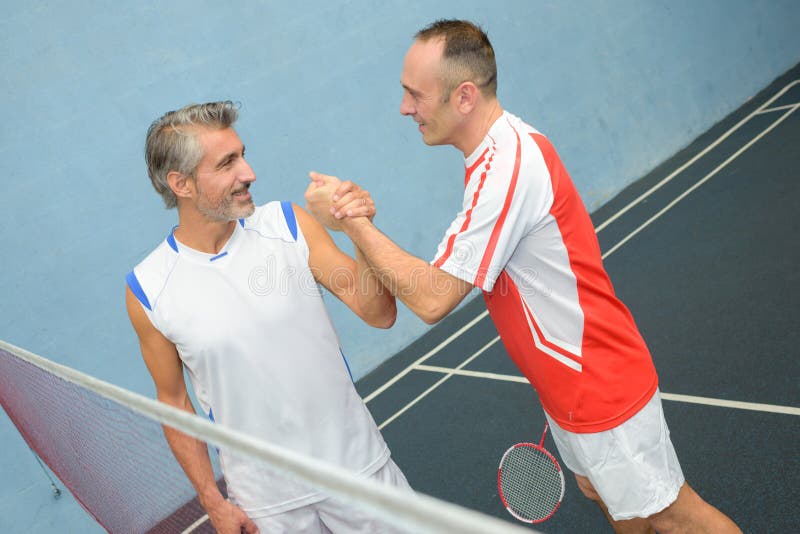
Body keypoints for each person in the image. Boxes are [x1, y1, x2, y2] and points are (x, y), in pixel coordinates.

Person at [304, 19, 741, 534]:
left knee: (674, 517)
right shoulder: (490, 156)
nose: (405, 108)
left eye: (414, 94)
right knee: (611, 501)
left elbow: (431, 299)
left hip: (598, 377)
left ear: (463, 96)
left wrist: (351, 222)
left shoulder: (507, 169)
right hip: (565, 387)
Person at [125, 101, 411, 534]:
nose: (249, 172)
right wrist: (212, 500)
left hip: (358, 471)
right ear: (180, 183)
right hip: (265, 506)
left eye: (242, 154)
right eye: (228, 163)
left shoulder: (288, 225)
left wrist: (358, 229)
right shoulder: (149, 288)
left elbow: (379, 312)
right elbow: (175, 404)